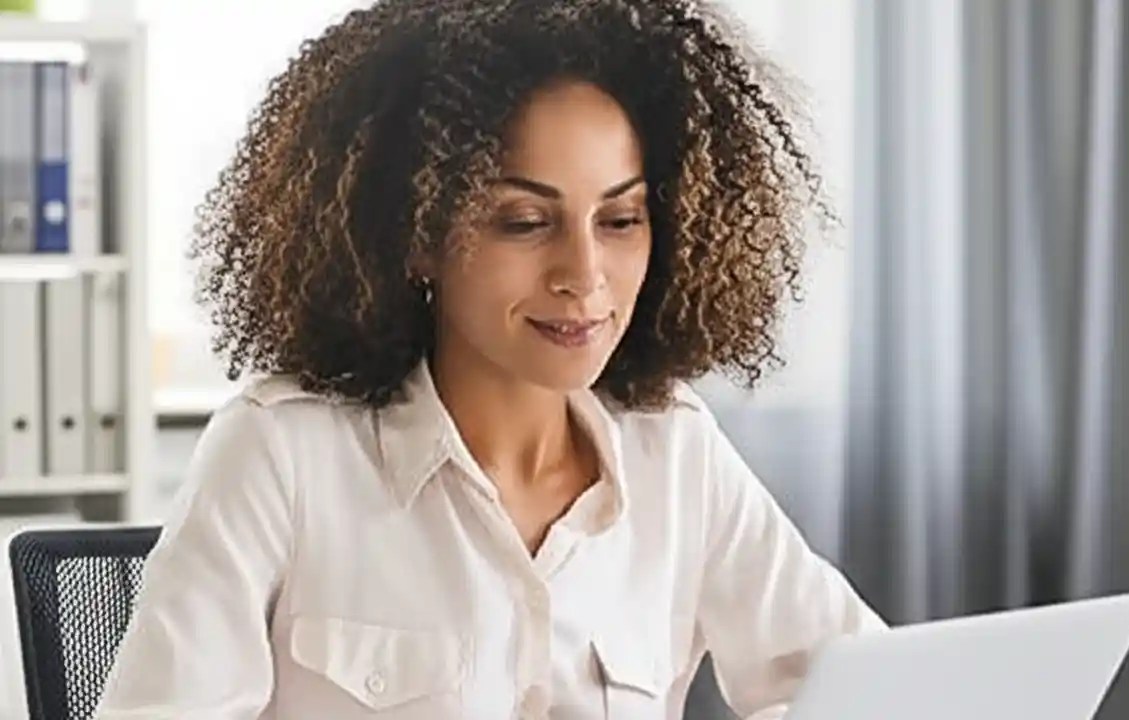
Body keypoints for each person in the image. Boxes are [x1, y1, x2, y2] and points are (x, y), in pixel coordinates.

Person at [95, 0, 886, 718]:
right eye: (523, 221)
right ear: (418, 236)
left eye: (619, 220)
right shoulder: (280, 453)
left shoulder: (674, 450)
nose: (583, 275)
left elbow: (868, 690)